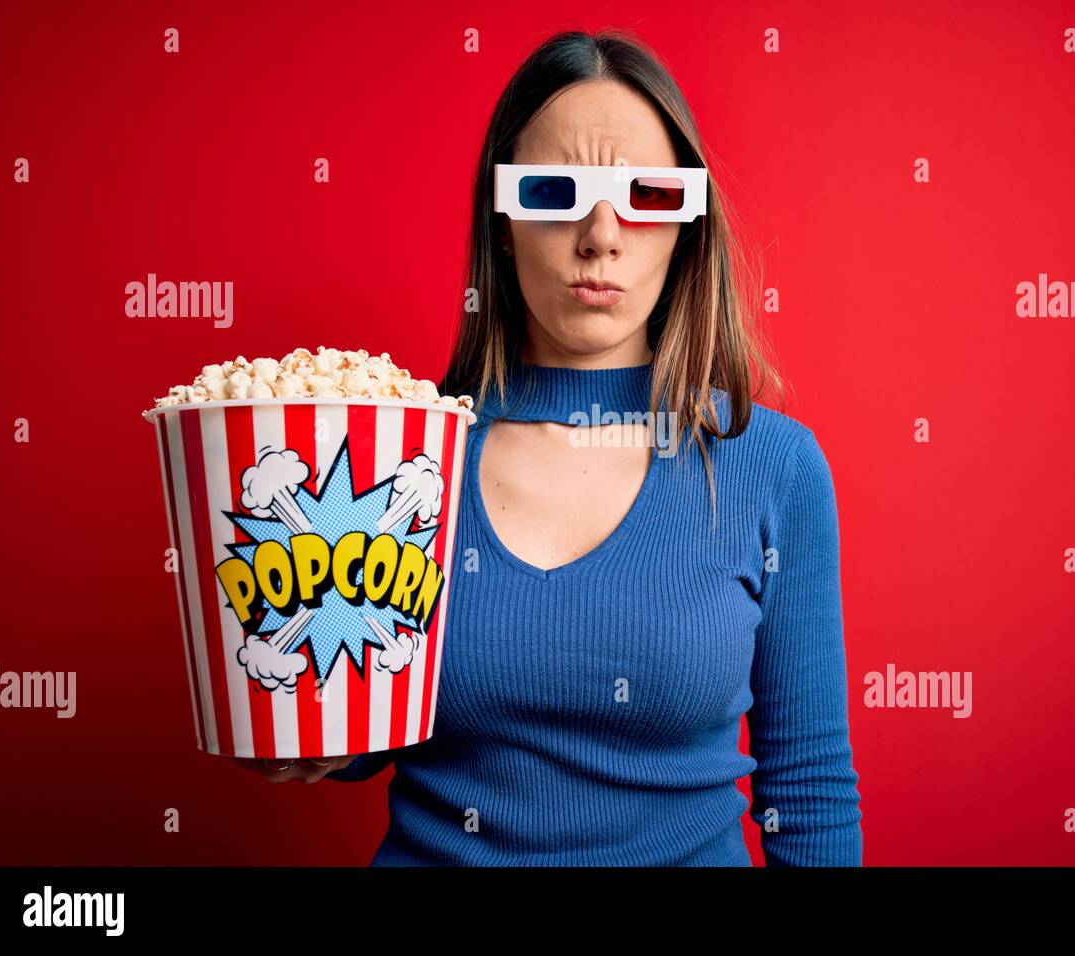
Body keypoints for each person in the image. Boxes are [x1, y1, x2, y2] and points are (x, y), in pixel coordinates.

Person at [234, 28, 863, 866]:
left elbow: (809, 785)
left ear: (686, 227)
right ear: (502, 224)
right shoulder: (398, 456)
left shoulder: (773, 467)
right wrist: (319, 736)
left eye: (644, 194)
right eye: (553, 191)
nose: (600, 235)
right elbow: (366, 714)